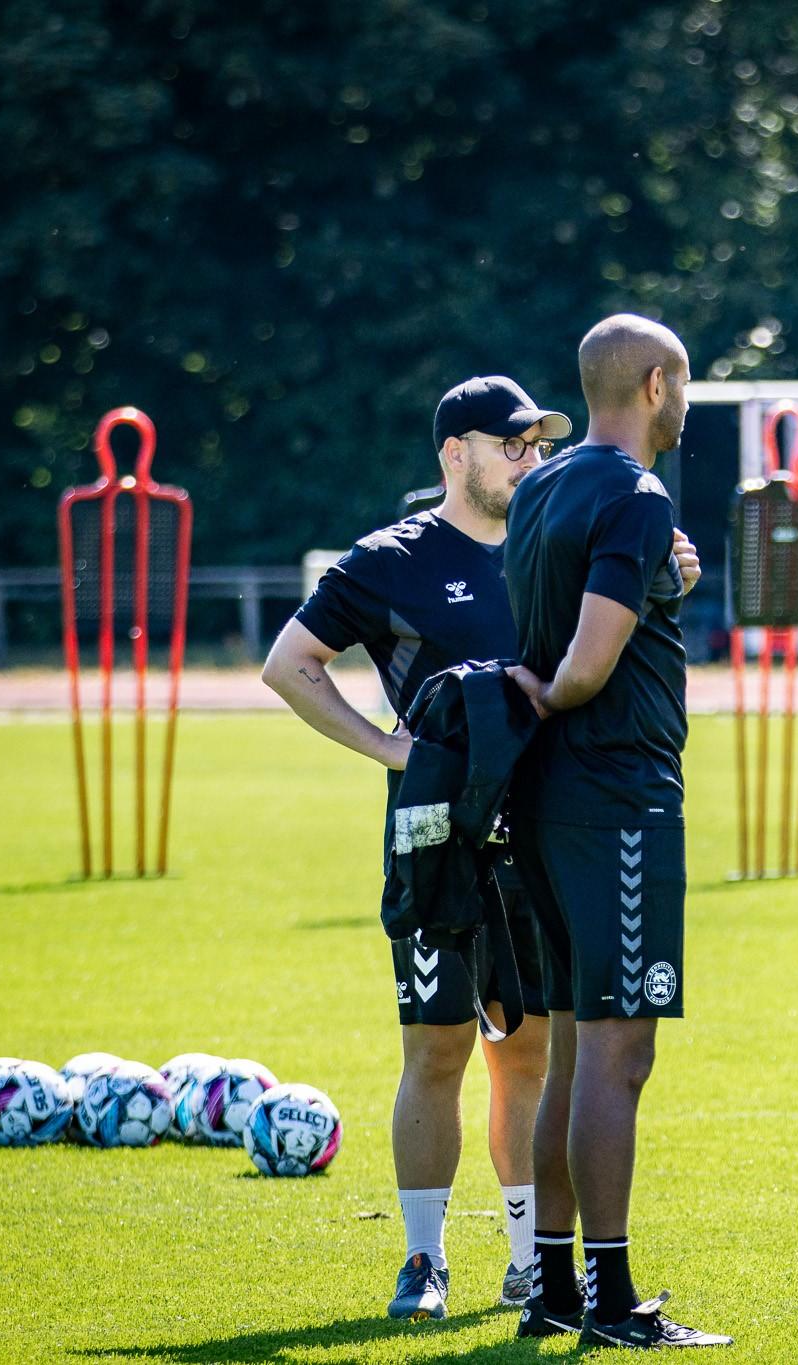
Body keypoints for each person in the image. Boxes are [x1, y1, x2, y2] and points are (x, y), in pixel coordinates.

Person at [261, 376, 569, 1323]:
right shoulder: (392, 559)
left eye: (535, 445)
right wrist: (398, 750)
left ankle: (527, 1259)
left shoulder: (553, 545)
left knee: (528, 1054)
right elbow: (289, 664)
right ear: (454, 453)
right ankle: (423, 1260)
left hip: (543, 838)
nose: (528, 458)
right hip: (438, 844)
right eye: (509, 444)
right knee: (435, 1051)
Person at [501, 314, 730, 1349]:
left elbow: (582, 606)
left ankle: (550, 1286)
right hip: (618, 796)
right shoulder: (637, 494)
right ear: (651, 385)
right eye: (681, 385)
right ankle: (614, 1299)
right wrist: (553, 691)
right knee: (616, 1054)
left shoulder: (543, 483)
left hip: (543, 800)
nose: (684, 402)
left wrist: (663, 579)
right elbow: (586, 665)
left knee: (566, 1053)